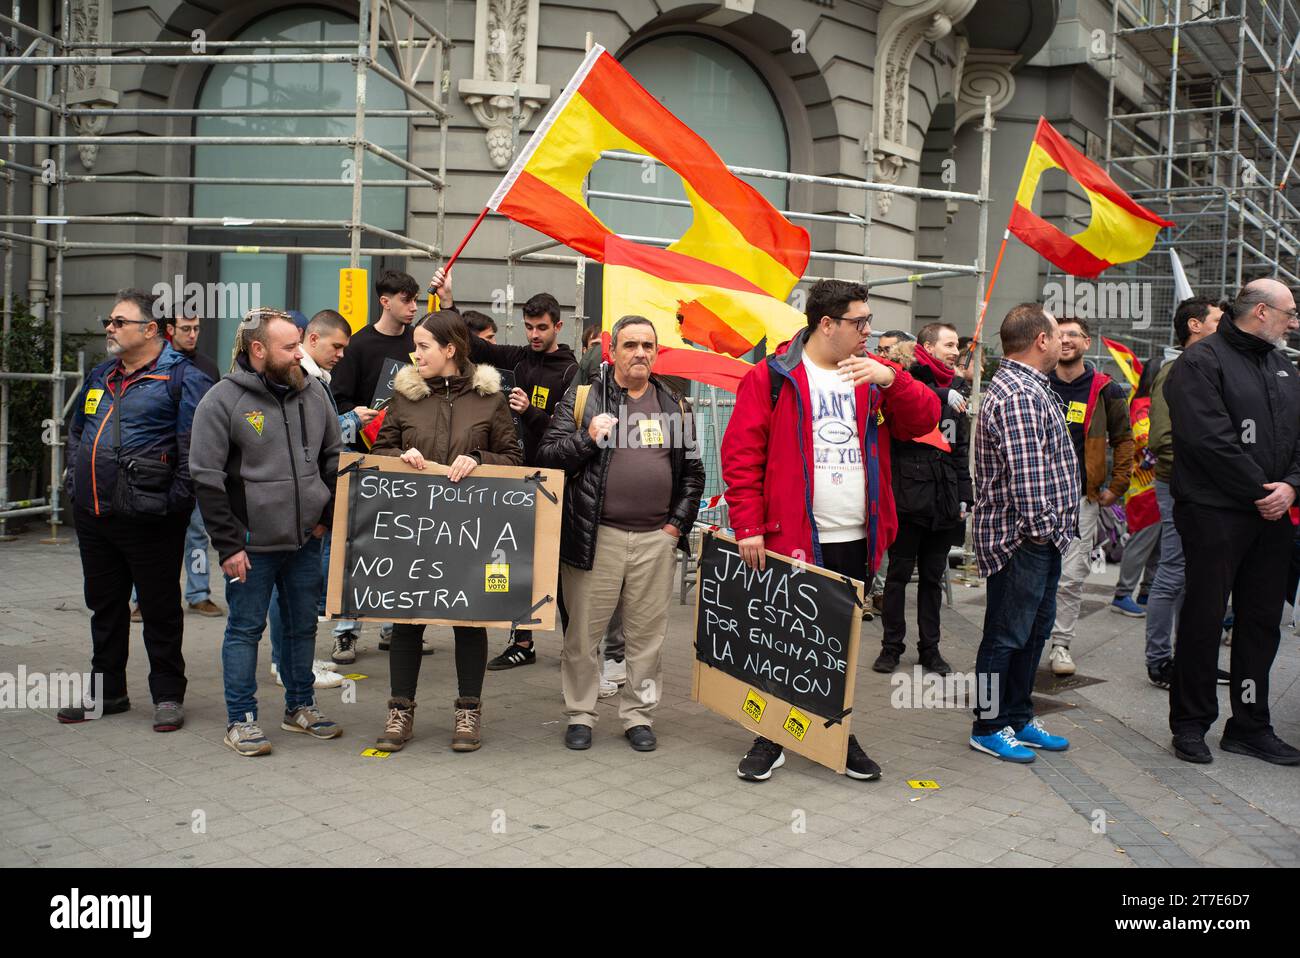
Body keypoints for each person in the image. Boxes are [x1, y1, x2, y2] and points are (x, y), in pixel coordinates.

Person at [721, 279, 939, 781]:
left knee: (838, 643)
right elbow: (741, 455)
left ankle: (835, 733)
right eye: (860, 322)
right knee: (782, 639)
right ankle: (771, 735)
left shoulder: (872, 376)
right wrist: (748, 524)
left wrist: (890, 378)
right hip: (791, 536)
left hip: (856, 536)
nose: (869, 331)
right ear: (827, 324)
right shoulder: (773, 377)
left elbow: (924, 419)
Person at [537, 314, 705, 753]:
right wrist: (587, 439)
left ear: (657, 351)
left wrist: (675, 528)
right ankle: (580, 713)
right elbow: (549, 457)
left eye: (648, 346)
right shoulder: (584, 399)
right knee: (582, 638)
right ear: (612, 352)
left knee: (647, 638)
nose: (640, 354)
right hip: (597, 538)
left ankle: (638, 715)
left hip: (656, 540)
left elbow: (693, 473)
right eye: (630, 345)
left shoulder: (675, 405)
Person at [190, 307, 344, 757]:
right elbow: (206, 477)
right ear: (258, 350)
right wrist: (229, 545)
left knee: (300, 629)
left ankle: (300, 707)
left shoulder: (313, 393)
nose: (300, 354)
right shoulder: (222, 400)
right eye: (289, 346)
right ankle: (241, 720)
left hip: (304, 543)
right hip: (251, 548)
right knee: (243, 630)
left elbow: (334, 461)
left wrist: (325, 519)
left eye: (300, 344)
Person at [57, 288, 212, 731]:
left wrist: (173, 504)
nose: (109, 327)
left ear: (149, 329)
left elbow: (194, 452)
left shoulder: (182, 377)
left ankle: (167, 695)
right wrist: (74, 481)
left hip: (151, 517)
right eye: (109, 321)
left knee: (160, 610)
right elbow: (77, 432)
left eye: (119, 321)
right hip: (95, 514)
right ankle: (108, 693)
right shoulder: (101, 374)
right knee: (105, 607)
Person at [369, 310, 522, 753]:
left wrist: (479, 458)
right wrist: (402, 457)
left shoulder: (489, 397)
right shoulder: (403, 396)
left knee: (469, 619)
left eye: (422, 346)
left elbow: (513, 458)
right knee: (407, 619)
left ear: (450, 350)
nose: (414, 354)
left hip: (470, 531)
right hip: (414, 528)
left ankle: (468, 712)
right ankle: (400, 711)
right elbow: (380, 452)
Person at [1164, 279, 1300, 766]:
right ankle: (1191, 724)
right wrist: (1263, 490)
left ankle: (1249, 725)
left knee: (1261, 623)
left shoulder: (1283, 366)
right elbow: (1208, 441)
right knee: (1204, 619)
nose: (1294, 321)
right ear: (1261, 312)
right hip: (1214, 515)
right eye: (1289, 312)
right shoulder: (1200, 363)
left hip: (1273, 516)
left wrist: (1292, 486)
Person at [429, 267, 580, 670]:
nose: (534, 334)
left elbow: (570, 438)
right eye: (529, 327)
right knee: (512, 564)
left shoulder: (571, 372)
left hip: (553, 483)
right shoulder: (519, 357)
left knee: (560, 570)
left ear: (558, 326)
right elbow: (475, 347)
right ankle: (523, 642)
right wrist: (448, 302)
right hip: (512, 479)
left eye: (542, 327)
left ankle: (577, 651)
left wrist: (531, 412)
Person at [969, 303, 1078, 763]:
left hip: (1038, 537)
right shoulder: (1018, 394)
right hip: (1024, 539)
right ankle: (989, 725)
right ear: (1040, 340)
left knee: (1032, 634)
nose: (1062, 343)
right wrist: (1041, 531)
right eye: (1057, 335)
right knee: (1006, 636)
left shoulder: (1030, 387)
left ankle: (1015, 716)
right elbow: (1028, 475)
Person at [266, 309, 374, 689]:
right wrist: (355, 421)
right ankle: (287, 664)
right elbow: (314, 440)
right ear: (312, 340)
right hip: (300, 505)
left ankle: (297, 661)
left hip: (308, 501)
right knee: (290, 592)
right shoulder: (302, 378)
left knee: (299, 590)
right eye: (337, 346)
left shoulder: (315, 377)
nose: (342, 354)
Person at [329, 269, 421, 658]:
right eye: (406, 300)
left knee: (401, 543)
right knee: (357, 543)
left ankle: (392, 626)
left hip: (408, 457)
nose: (413, 307)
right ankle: (347, 629)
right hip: (364, 458)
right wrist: (358, 414)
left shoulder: (420, 343)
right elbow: (338, 401)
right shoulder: (359, 345)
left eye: (416, 300)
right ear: (385, 301)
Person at [875, 322, 971, 676]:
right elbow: (900, 408)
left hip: (944, 499)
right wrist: (937, 396)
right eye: (948, 344)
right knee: (898, 575)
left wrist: (965, 494)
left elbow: (959, 448)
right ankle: (891, 648)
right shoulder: (903, 378)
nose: (954, 350)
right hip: (907, 496)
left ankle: (930, 650)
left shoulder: (959, 386)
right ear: (927, 347)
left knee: (933, 579)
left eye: (956, 344)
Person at [1044, 317, 1134, 675]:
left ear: (1086, 342)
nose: (1065, 341)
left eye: (1072, 335)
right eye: (1058, 335)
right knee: (1031, 574)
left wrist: (1118, 485)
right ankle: (1027, 640)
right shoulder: (1038, 383)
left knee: (1070, 576)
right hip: (1038, 494)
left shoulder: (1105, 389)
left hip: (1082, 498)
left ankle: (1061, 645)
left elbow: (1124, 439)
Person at [1143, 297, 1223, 688]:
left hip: (1207, 487)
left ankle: (1190, 658)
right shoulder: (1174, 370)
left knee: (1197, 575)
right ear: (1195, 325)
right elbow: (1162, 438)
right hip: (1179, 483)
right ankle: (1159, 661)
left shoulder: (1216, 367)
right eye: (1218, 319)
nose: (1225, 325)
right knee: (1173, 571)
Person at [1110, 356, 1164, 617]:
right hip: (1144, 489)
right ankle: (1122, 594)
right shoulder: (1143, 406)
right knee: (1142, 542)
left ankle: (1147, 589)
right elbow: (1146, 439)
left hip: (1159, 487)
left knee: (1160, 544)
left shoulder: (1156, 404)